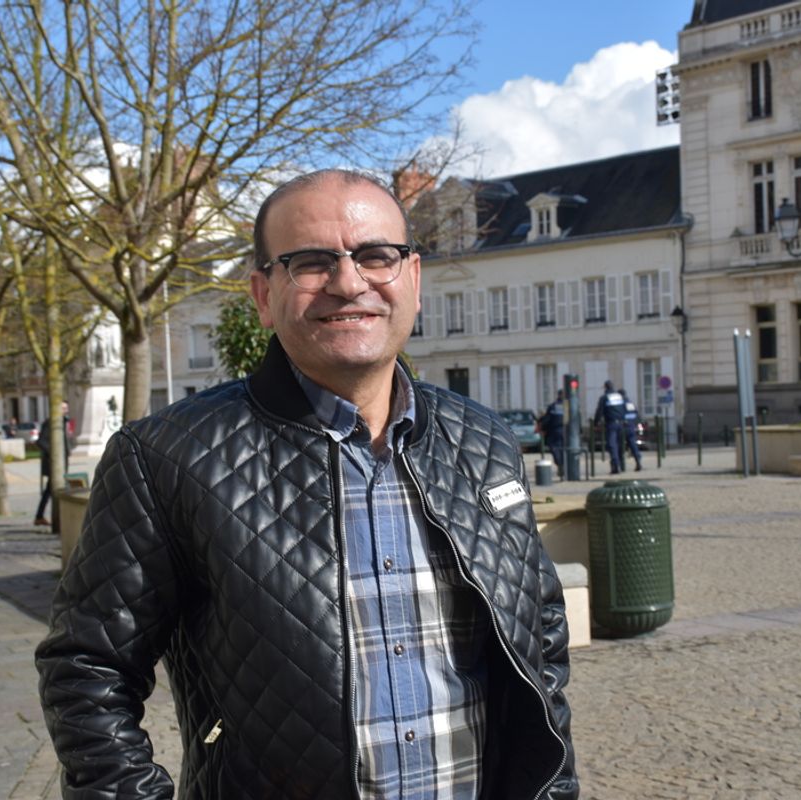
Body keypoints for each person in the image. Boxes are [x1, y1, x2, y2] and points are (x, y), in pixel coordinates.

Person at [35, 170, 578, 799]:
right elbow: (86, 668)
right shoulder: (164, 458)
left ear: (414, 279)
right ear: (264, 295)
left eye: (377, 256)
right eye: (313, 263)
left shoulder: (484, 442)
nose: (350, 283)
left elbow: (539, 639)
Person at [33, 401, 71, 526]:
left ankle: (41, 516)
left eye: (66, 408)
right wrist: (54, 454)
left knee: (50, 490)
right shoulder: (51, 423)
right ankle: (41, 516)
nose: (65, 410)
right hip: (53, 464)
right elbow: (41, 442)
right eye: (62, 408)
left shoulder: (64, 422)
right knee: (52, 490)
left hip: (62, 462)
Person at [594, 380, 627, 474]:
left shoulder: (604, 397)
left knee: (612, 445)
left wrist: (596, 423)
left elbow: (599, 411)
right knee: (620, 445)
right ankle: (622, 465)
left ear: (605, 387)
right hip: (621, 424)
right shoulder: (620, 396)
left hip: (611, 424)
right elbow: (625, 409)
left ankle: (615, 465)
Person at [540, 389, 567, 478]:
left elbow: (547, 419)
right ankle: (562, 465)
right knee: (563, 449)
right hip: (565, 431)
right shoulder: (568, 406)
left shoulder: (553, 406)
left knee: (554, 447)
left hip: (554, 431)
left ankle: (560, 464)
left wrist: (543, 428)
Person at [620, 389, 642, 472]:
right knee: (633, 445)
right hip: (631, 426)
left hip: (623, 426)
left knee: (620, 446)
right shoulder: (630, 403)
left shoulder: (621, 404)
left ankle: (621, 465)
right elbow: (636, 415)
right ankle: (638, 461)